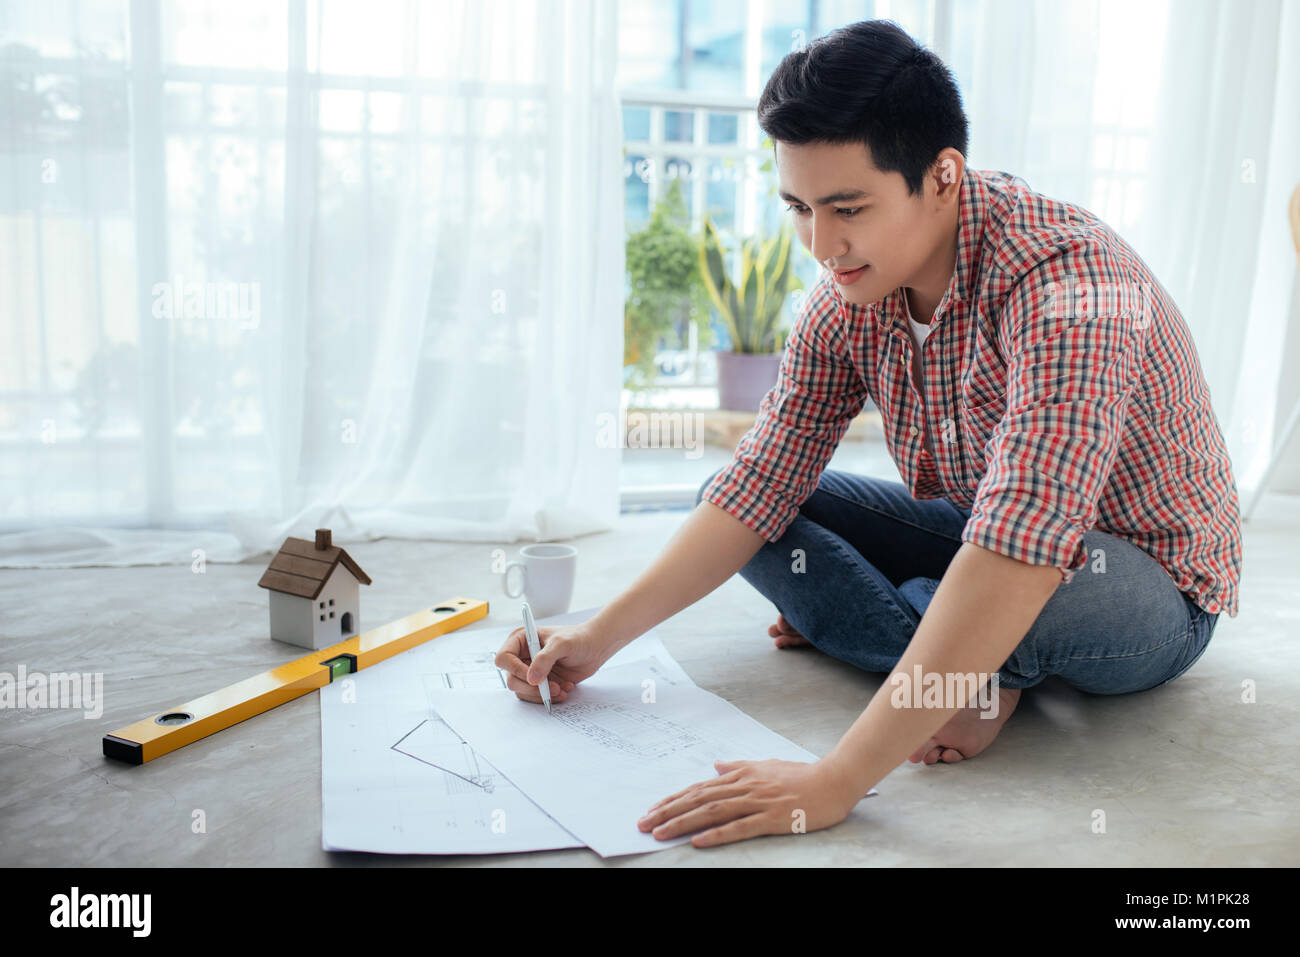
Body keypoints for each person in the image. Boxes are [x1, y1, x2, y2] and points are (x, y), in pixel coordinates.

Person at [495, 19, 1242, 850]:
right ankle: (961, 659)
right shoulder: (852, 288)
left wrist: (836, 778)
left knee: (1013, 586)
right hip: (981, 533)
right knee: (750, 506)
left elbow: (1023, 544)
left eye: (847, 207)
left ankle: (951, 646)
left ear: (943, 176)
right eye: (800, 209)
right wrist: (600, 634)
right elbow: (759, 481)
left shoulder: (1071, 283)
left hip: (1146, 585)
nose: (821, 245)